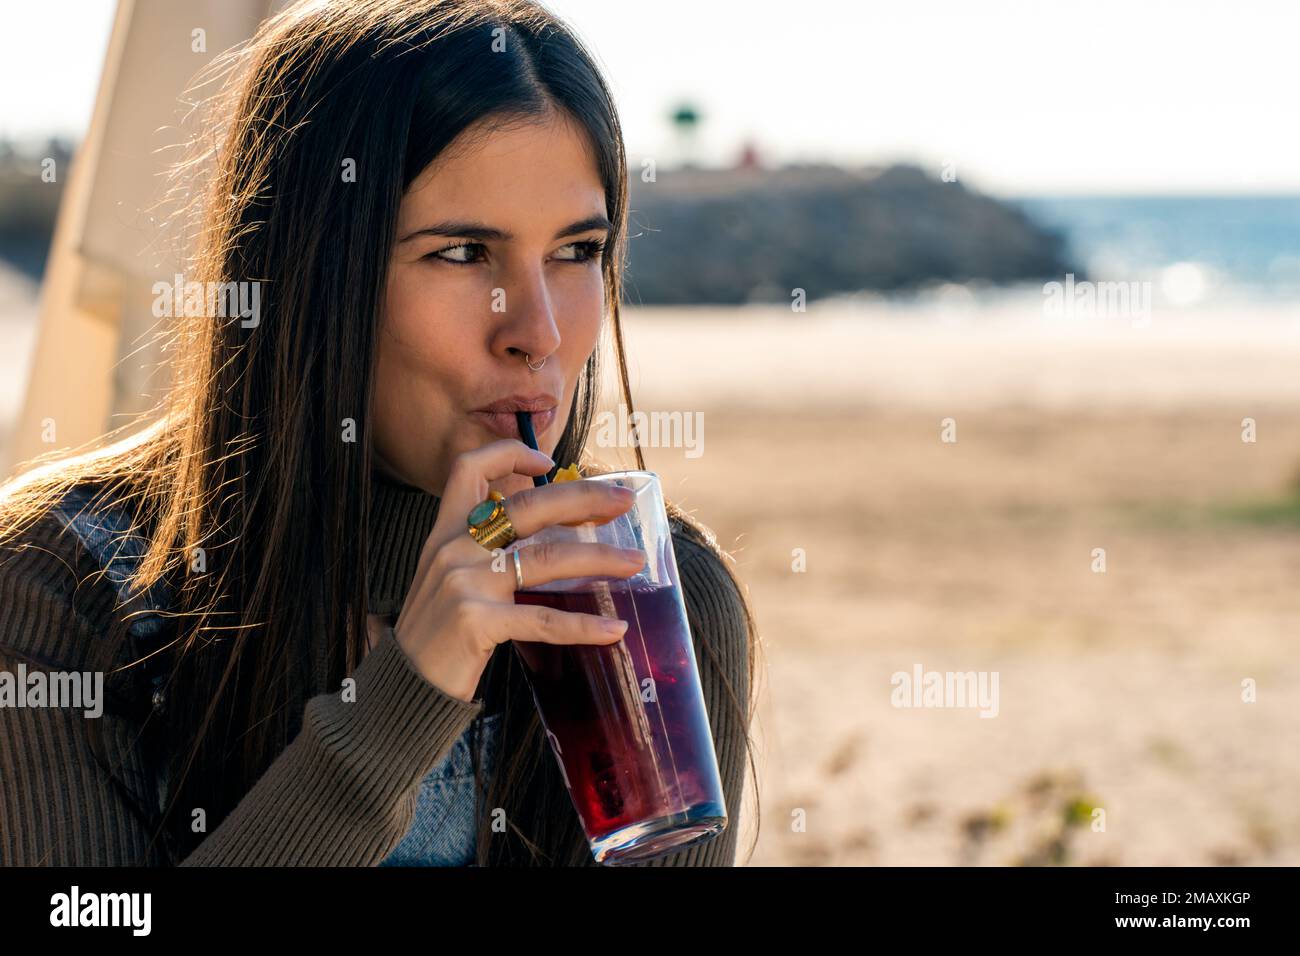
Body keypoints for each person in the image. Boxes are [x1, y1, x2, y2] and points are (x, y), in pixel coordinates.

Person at [0, 0, 758, 867]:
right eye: (464, 254)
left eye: (577, 250)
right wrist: (406, 700)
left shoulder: (658, 596)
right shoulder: (59, 591)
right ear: (310, 270)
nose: (539, 332)